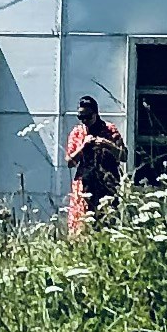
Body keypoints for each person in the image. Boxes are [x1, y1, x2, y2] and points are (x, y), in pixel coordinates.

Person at [64, 91, 125, 235]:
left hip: (106, 182)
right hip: (84, 183)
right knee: (82, 223)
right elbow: (70, 162)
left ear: (96, 114)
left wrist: (108, 145)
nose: (84, 121)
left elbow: (124, 156)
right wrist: (83, 147)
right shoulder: (77, 132)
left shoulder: (109, 130)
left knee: (106, 221)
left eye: (88, 116)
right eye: (81, 117)